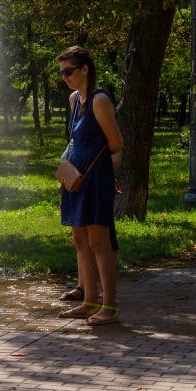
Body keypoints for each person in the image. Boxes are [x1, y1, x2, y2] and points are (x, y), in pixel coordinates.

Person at [56, 45, 123, 326]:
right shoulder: (74, 100)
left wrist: (103, 174)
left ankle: (109, 306)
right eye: (62, 73)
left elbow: (116, 144)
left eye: (69, 71)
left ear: (85, 69)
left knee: (99, 242)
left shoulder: (99, 100)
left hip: (95, 180)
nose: (65, 77)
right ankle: (89, 301)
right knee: (79, 241)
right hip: (75, 180)